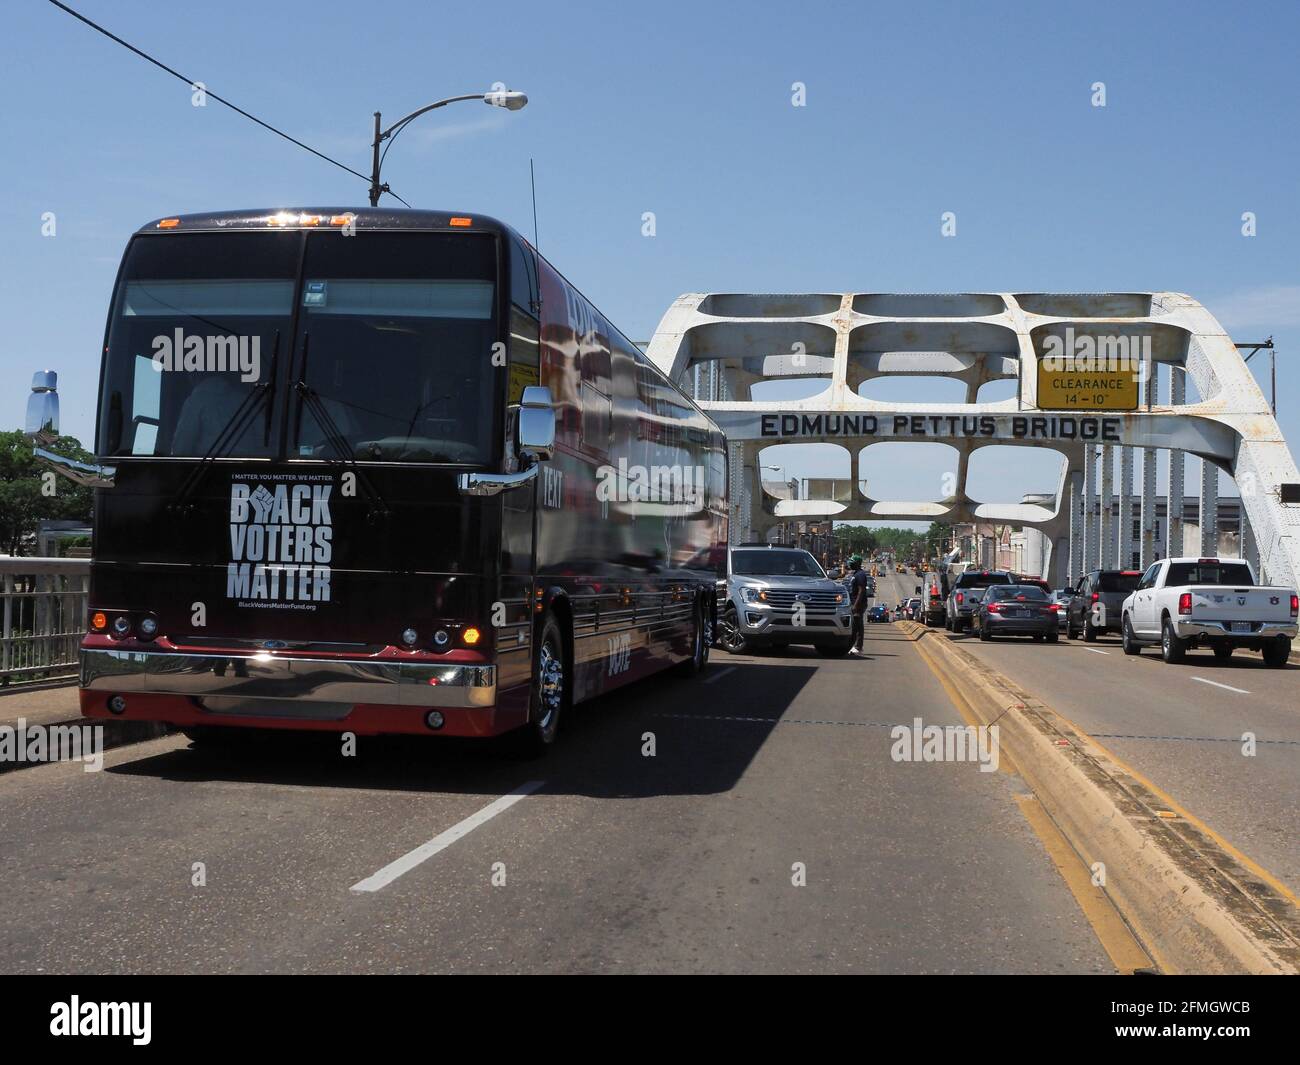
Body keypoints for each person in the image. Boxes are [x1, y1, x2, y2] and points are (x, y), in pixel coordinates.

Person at [847, 554, 871, 655]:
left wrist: (856, 605)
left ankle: (858, 646)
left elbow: (861, 591)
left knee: (858, 625)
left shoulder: (860, 574)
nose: (850, 564)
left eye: (852, 562)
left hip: (859, 603)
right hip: (854, 602)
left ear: (857, 563)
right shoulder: (856, 573)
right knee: (854, 625)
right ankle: (853, 646)